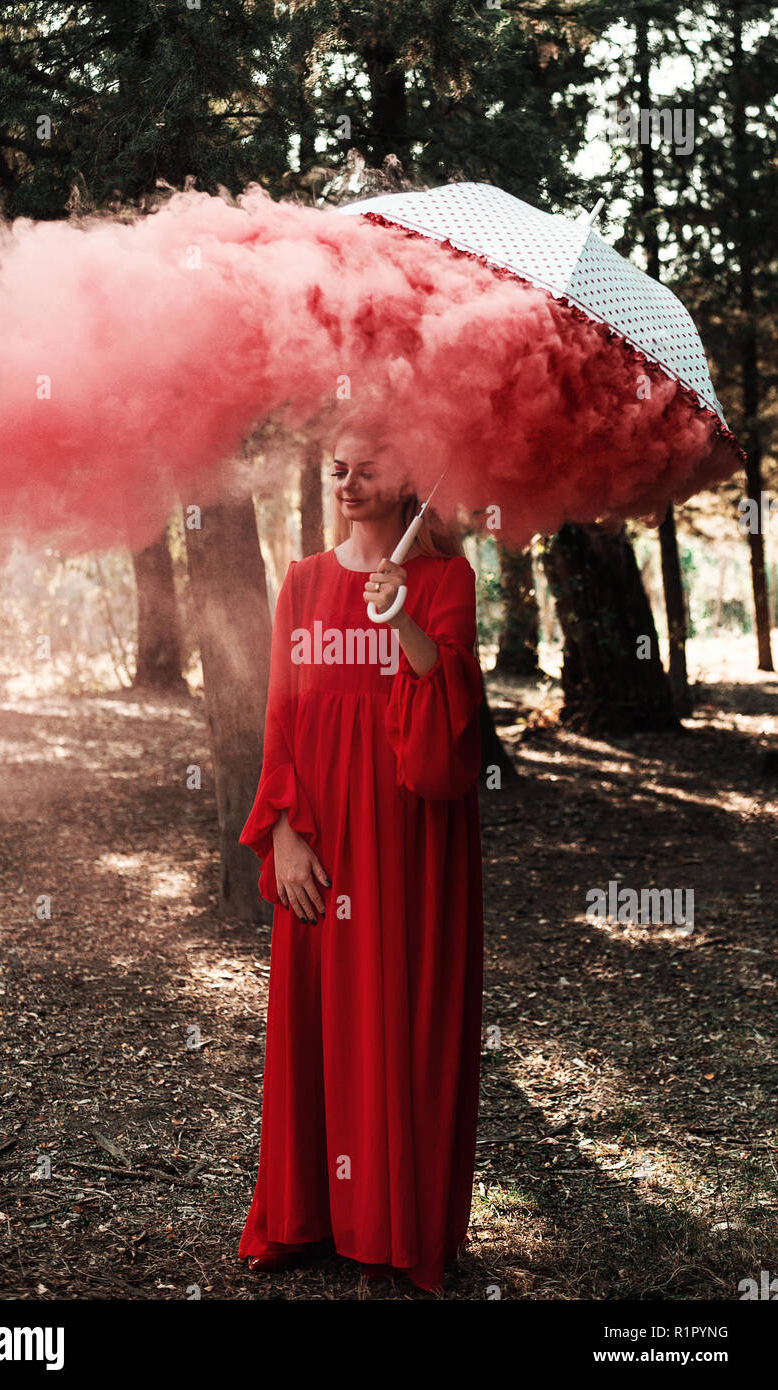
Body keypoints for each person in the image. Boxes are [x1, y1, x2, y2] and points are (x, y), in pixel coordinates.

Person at [237, 416, 485, 1292]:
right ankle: (312, 1214)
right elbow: (282, 715)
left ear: (408, 474)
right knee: (320, 1021)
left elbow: (452, 724)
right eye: (337, 468)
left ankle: (394, 1221)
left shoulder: (446, 578)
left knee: (403, 1016)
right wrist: (283, 831)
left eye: (365, 468)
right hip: (323, 833)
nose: (345, 482)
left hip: (412, 840)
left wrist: (403, 614)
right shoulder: (301, 584)